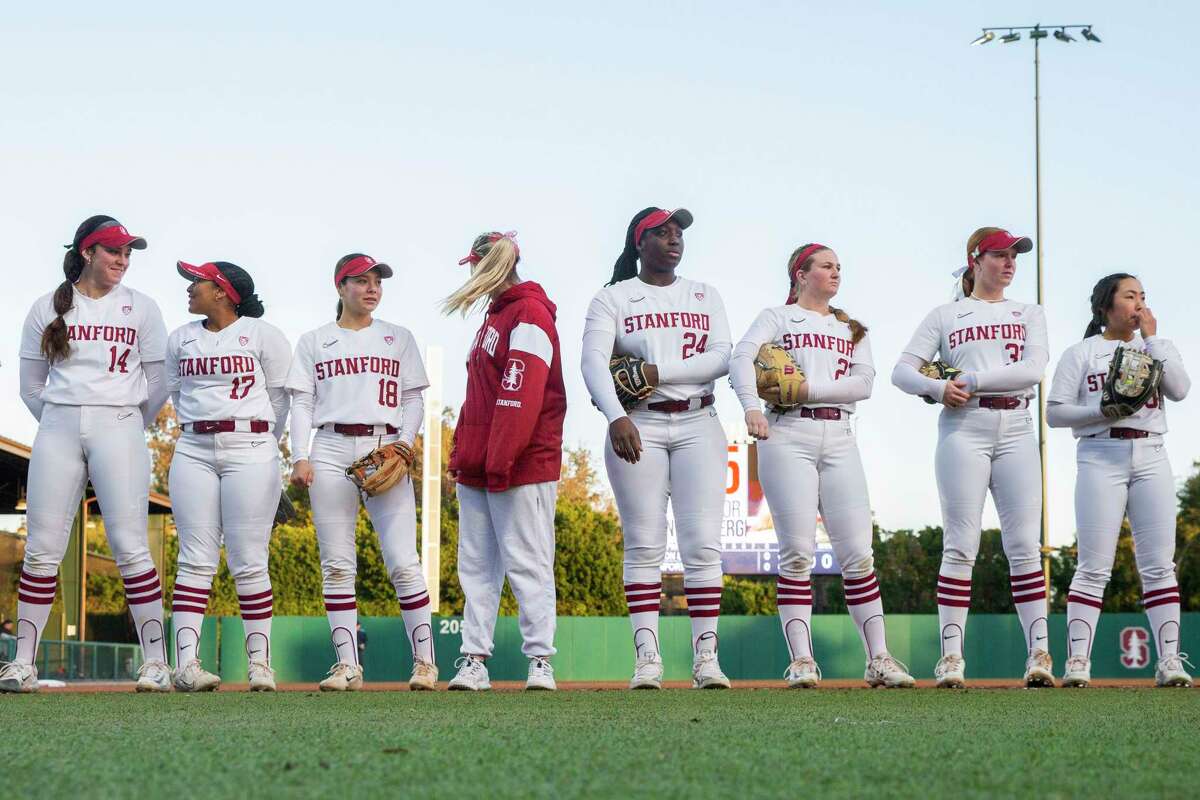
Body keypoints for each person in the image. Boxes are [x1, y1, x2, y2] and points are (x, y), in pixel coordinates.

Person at [730, 243, 914, 689]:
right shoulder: (776, 316)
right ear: (801, 273)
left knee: (858, 553)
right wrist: (751, 406)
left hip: (840, 436)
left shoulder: (852, 328)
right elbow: (739, 357)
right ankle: (802, 661)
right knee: (797, 552)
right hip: (786, 433)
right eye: (826, 265)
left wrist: (806, 388)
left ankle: (879, 658)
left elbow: (864, 385)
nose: (835, 273)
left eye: (839, 267)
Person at [3, 215, 170, 694]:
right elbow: (30, 386)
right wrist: (63, 421)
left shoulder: (142, 307)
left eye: (127, 253)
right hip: (58, 424)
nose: (122, 260)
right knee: (40, 549)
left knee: (130, 545)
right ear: (86, 253)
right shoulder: (46, 306)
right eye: (113, 251)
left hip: (119, 423)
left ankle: (155, 662)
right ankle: (23, 663)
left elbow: (158, 384)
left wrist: (126, 423)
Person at [891, 227, 1052, 689]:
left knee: (1023, 547)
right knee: (960, 546)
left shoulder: (1028, 312)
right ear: (975, 260)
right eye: (1000, 255)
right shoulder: (946, 314)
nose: (1010, 263)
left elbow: (1032, 370)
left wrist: (971, 379)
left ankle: (1038, 654)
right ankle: (951, 658)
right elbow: (902, 371)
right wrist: (937, 387)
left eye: (1014, 256)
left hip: (1017, 426)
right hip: (965, 428)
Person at [582, 208, 733, 690]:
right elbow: (592, 364)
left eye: (679, 232)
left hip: (698, 420)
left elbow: (721, 358)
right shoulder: (613, 297)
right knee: (644, 544)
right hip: (639, 423)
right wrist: (616, 416)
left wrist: (657, 373)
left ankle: (706, 659)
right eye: (662, 232)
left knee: (703, 544)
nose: (674, 239)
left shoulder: (704, 294)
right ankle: (647, 659)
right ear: (638, 241)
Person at [288, 253, 436, 691]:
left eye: (377, 281)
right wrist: (300, 455)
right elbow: (301, 402)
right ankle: (347, 664)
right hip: (331, 445)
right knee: (336, 564)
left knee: (404, 563)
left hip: (383, 443)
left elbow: (413, 399)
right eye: (360, 280)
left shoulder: (398, 338)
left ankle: (425, 663)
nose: (371, 288)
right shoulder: (315, 340)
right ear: (340, 288)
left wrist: (405, 443)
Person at [1048, 273, 1192, 687]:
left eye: (1143, 296)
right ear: (1106, 307)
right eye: (1130, 296)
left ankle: (1168, 662)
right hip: (1100, 454)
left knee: (1160, 566)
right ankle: (1077, 662)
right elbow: (1055, 412)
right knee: (1093, 566)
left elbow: (1180, 389)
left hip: (1151, 453)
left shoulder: (1155, 348)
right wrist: (1102, 411)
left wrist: (1154, 340)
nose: (1139, 304)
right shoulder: (1082, 353)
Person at [443, 232, 565, 692]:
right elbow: (479, 400)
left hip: (519, 464)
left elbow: (523, 393)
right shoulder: (494, 318)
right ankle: (474, 659)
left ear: (483, 265)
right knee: (476, 566)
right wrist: (465, 456)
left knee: (528, 562)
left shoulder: (528, 311)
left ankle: (540, 661)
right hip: (483, 463)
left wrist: (500, 460)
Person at [166, 260, 291, 692]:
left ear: (221, 291)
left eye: (196, 282)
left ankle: (260, 665)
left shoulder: (264, 334)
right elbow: (176, 392)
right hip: (193, 447)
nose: (189, 288)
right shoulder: (180, 337)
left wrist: (263, 447)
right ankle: (186, 666)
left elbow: (278, 401)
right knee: (194, 559)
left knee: (249, 559)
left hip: (251, 446)